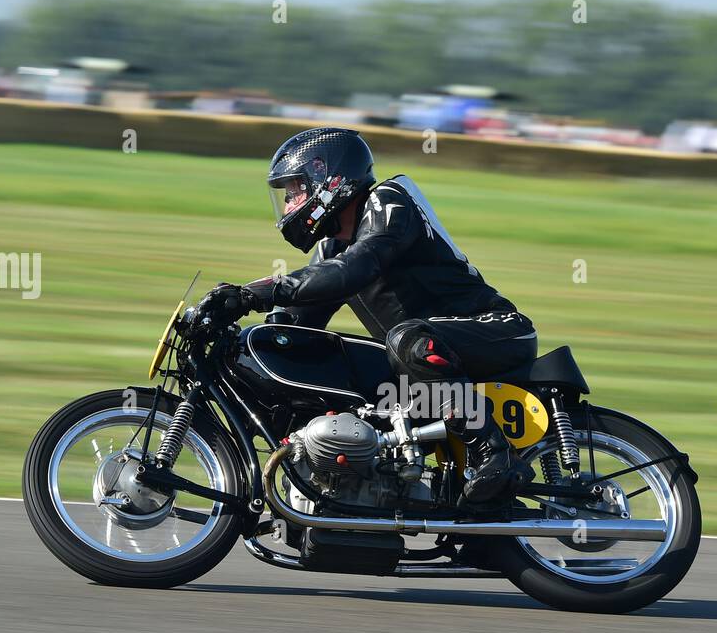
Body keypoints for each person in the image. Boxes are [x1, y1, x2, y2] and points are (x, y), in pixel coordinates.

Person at [202, 126, 537, 503]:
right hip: (419, 365)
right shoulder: (334, 248)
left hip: (496, 331)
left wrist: (256, 292)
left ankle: (496, 454)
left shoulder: (389, 201)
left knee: (408, 339)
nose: (290, 203)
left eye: (296, 190)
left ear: (328, 178)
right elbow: (291, 326)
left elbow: (356, 268)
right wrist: (236, 343)